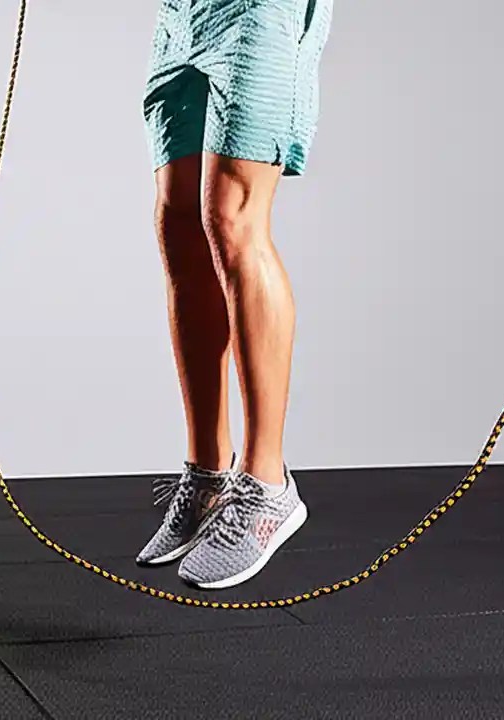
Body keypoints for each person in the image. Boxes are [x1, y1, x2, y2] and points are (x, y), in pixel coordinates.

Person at [134, 0, 333, 589]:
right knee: (178, 223)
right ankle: (208, 476)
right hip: (183, 13)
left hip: (263, 11)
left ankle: (267, 486)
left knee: (233, 216)